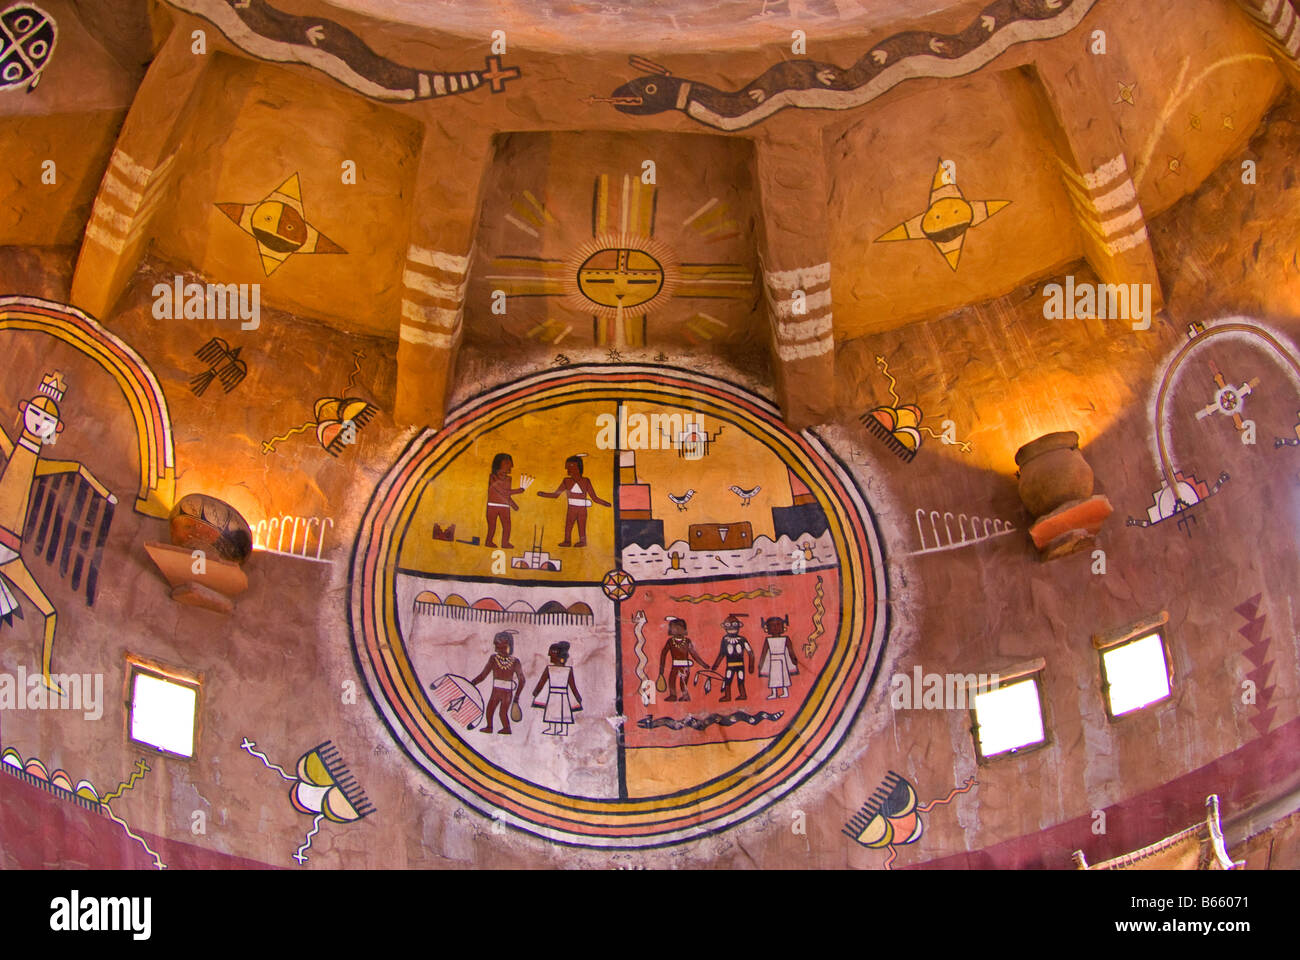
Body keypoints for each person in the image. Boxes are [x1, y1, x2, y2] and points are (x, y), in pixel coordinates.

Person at [536, 455, 609, 547]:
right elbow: (556, 495)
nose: (567, 469)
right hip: (571, 508)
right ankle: (567, 541)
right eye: (567, 467)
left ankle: (582, 541)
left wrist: (605, 503)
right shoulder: (566, 481)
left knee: (581, 525)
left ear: (578, 468)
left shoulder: (585, 481)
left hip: (582, 509)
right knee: (568, 525)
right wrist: (543, 494)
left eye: (570, 466)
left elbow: (594, 497)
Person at [470, 631, 526, 734]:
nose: (498, 649)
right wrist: (473, 683)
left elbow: (522, 680)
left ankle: (506, 728)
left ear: (509, 646)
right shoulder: (494, 659)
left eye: (502, 647)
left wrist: (517, 697)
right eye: (497, 646)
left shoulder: (515, 661)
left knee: (502, 712)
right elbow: (483, 675)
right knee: (490, 709)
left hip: (506, 693)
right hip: (497, 691)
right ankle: (490, 727)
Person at [532, 641, 582, 736]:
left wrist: (577, 696)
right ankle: (552, 728)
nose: (550, 658)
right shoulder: (549, 669)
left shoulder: (568, 670)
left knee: (563, 712)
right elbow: (541, 682)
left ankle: (563, 729)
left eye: (551, 656)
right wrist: (536, 691)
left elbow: (572, 686)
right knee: (551, 711)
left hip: (562, 695)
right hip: (553, 694)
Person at [485, 453, 532, 548]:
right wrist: (518, 491)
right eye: (507, 463)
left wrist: (513, 505)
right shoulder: (493, 477)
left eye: (510, 463)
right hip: (492, 505)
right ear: (498, 464)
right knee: (492, 526)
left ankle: (505, 543)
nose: (510, 466)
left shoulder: (508, 479)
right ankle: (489, 541)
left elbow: (506, 495)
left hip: (505, 506)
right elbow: (502, 491)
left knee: (507, 526)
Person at [657, 618, 710, 702]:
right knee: (672, 680)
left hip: (685, 666)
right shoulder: (670, 641)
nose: (677, 630)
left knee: (683, 682)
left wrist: (703, 664)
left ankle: (685, 696)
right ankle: (673, 695)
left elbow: (694, 654)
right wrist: (661, 669)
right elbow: (663, 654)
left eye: (679, 628)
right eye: (675, 628)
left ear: (684, 629)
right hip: (675, 665)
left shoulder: (687, 641)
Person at [710, 613, 754, 702]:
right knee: (728, 680)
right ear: (725, 627)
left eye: (734, 625)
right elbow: (722, 653)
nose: (731, 628)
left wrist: (751, 665)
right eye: (728, 625)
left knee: (740, 680)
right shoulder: (725, 640)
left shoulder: (742, 640)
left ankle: (743, 695)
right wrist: (716, 665)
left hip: (740, 665)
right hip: (730, 665)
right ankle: (728, 696)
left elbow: (750, 652)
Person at [757, 615, 799, 699]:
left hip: (782, 659)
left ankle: (785, 692)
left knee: (784, 676)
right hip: (773, 661)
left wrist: (793, 658)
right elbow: (764, 652)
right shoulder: (768, 640)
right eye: (772, 626)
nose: (775, 628)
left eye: (778, 625)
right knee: (773, 678)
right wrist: (761, 663)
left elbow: (790, 650)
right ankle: (774, 693)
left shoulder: (786, 639)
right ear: (767, 628)